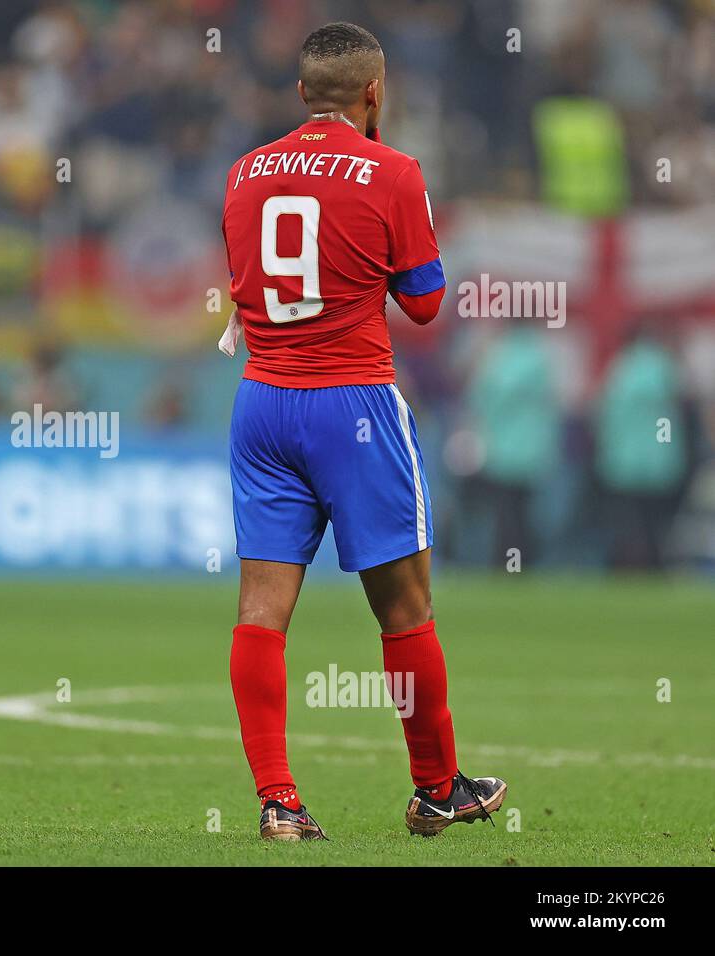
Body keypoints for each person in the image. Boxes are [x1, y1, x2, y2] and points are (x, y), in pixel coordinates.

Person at [218, 22, 505, 840]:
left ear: (301, 92)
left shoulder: (243, 173)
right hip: (353, 406)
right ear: (376, 93)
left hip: (263, 402)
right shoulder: (395, 172)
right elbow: (422, 302)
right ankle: (437, 787)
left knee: (261, 608)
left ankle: (278, 801)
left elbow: (246, 289)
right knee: (406, 607)